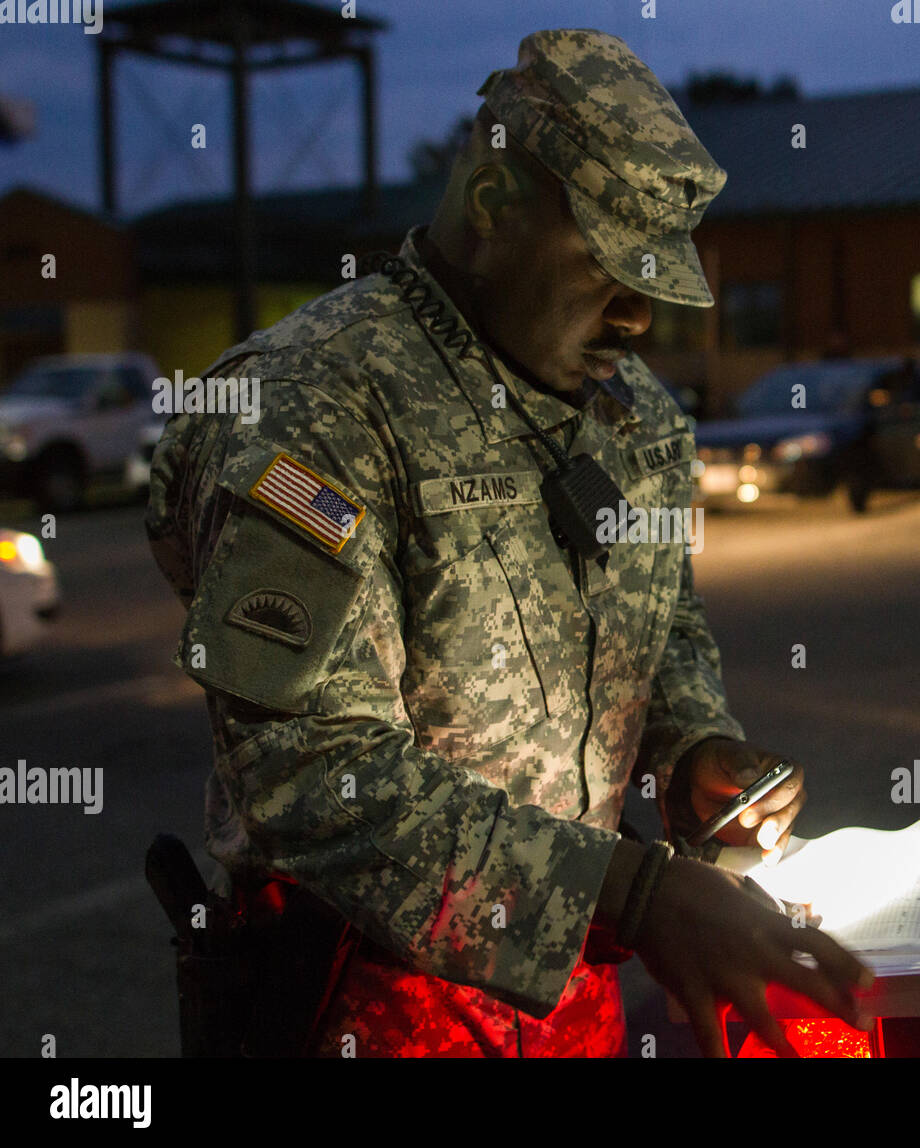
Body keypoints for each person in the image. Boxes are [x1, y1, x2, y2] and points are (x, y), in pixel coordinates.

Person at [146, 27, 871, 1059]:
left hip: (570, 981)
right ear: (492, 207)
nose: (638, 314)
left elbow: (662, 625)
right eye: (612, 271)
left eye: (658, 279)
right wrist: (640, 891)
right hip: (362, 997)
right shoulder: (310, 403)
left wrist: (694, 747)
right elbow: (311, 774)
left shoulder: (635, 420)